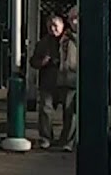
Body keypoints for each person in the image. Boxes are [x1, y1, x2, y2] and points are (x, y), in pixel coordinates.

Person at [29, 14, 78, 151]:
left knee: (70, 113)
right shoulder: (44, 42)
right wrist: (42, 62)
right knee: (45, 110)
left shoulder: (73, 40)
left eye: (55, 25)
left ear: (62, 25)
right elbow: (33, 61)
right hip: (49, 81)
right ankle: (46, 138)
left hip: (69, 81)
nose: (52, 28)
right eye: (50, 26)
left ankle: (67, 142)